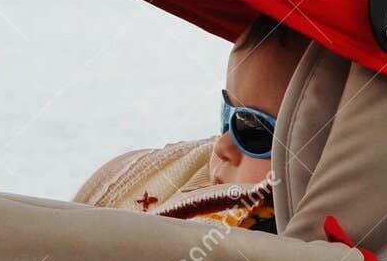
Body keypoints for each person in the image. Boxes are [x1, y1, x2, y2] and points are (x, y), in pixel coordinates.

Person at [73, 16, 306, 230]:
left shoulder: (264, 236)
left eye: (252, 129)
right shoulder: (188, 174)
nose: (222, 146)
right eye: (227, 114)